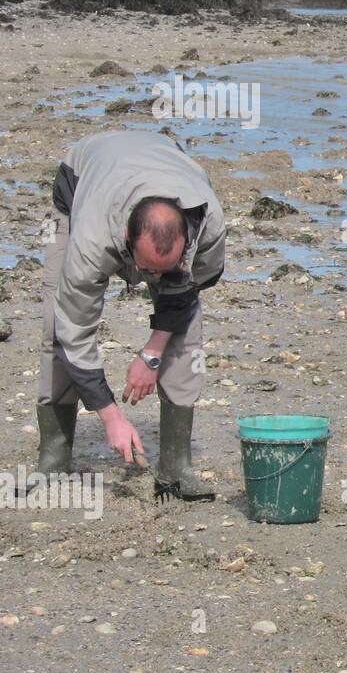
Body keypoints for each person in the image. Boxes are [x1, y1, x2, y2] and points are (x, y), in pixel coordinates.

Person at [29, 130, 226, 500]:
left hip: (166, 162)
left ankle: (176, 468)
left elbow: (189, 289)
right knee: (57, 326)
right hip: (83, 175)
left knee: (186, 334)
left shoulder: (209, 224)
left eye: (166, 269)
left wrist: (152, 352)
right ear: (124, 239)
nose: (153, 280)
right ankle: (53, 461)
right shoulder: (92, 239)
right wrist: (111, 416)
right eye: (146, 269)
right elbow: (75, 329)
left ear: (187, 239)